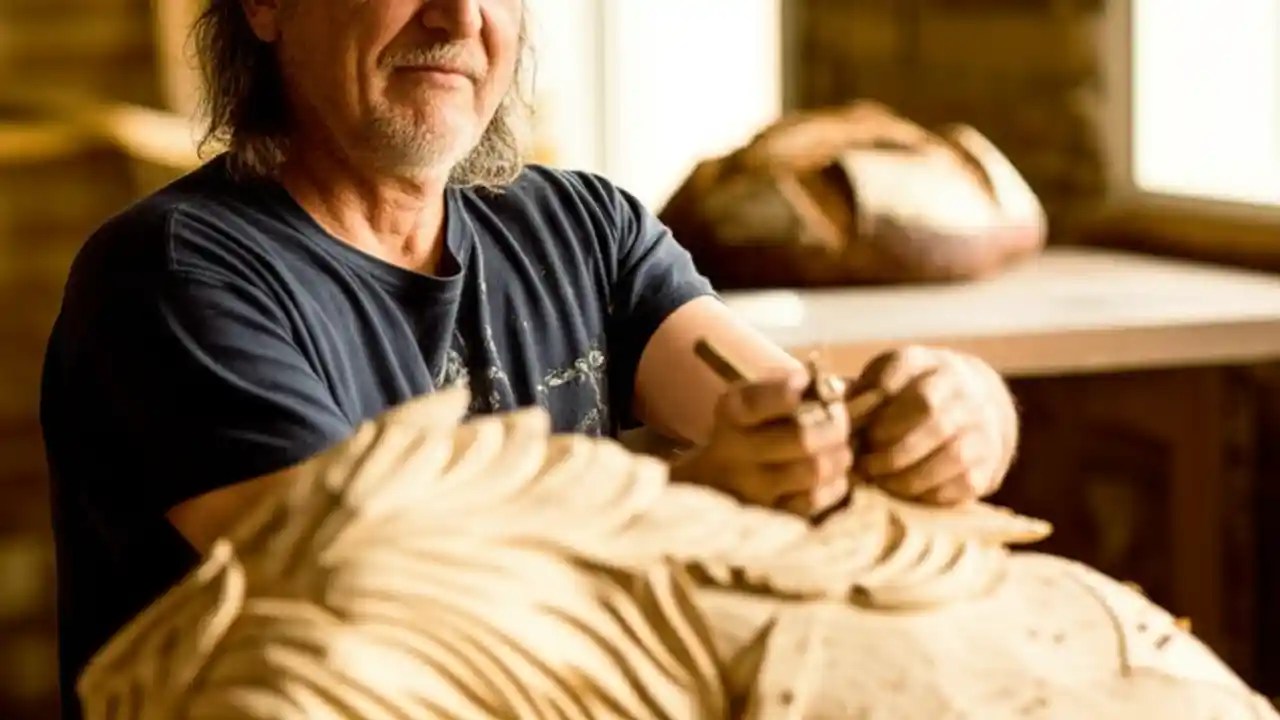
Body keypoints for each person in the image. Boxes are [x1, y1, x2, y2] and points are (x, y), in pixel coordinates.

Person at [39, 0, 1019, 716]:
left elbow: (793, 412)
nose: (457, 16)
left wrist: (955, 409)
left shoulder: (583, 227)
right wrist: (695, 505)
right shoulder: (169, 276)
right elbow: (356, 591)